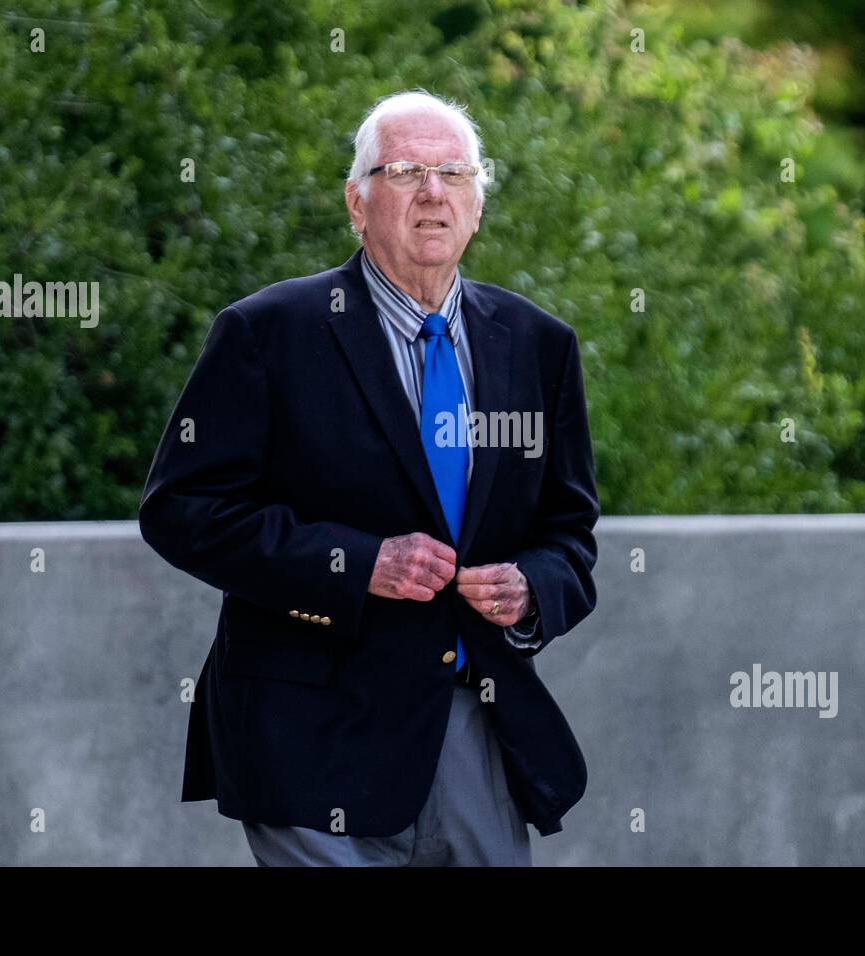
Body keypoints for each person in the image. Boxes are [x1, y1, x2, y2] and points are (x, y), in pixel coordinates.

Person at [138, 89, 599, 866]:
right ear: (357, 203)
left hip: (473, 725)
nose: (432, 192)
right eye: (406, 171)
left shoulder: (537, 345)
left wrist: (528, 591)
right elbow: (182, 509)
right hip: (309, 729)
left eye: (455, 173)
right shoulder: (268, 333)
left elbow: (570, 536)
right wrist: (356, 564)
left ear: (477, 207)